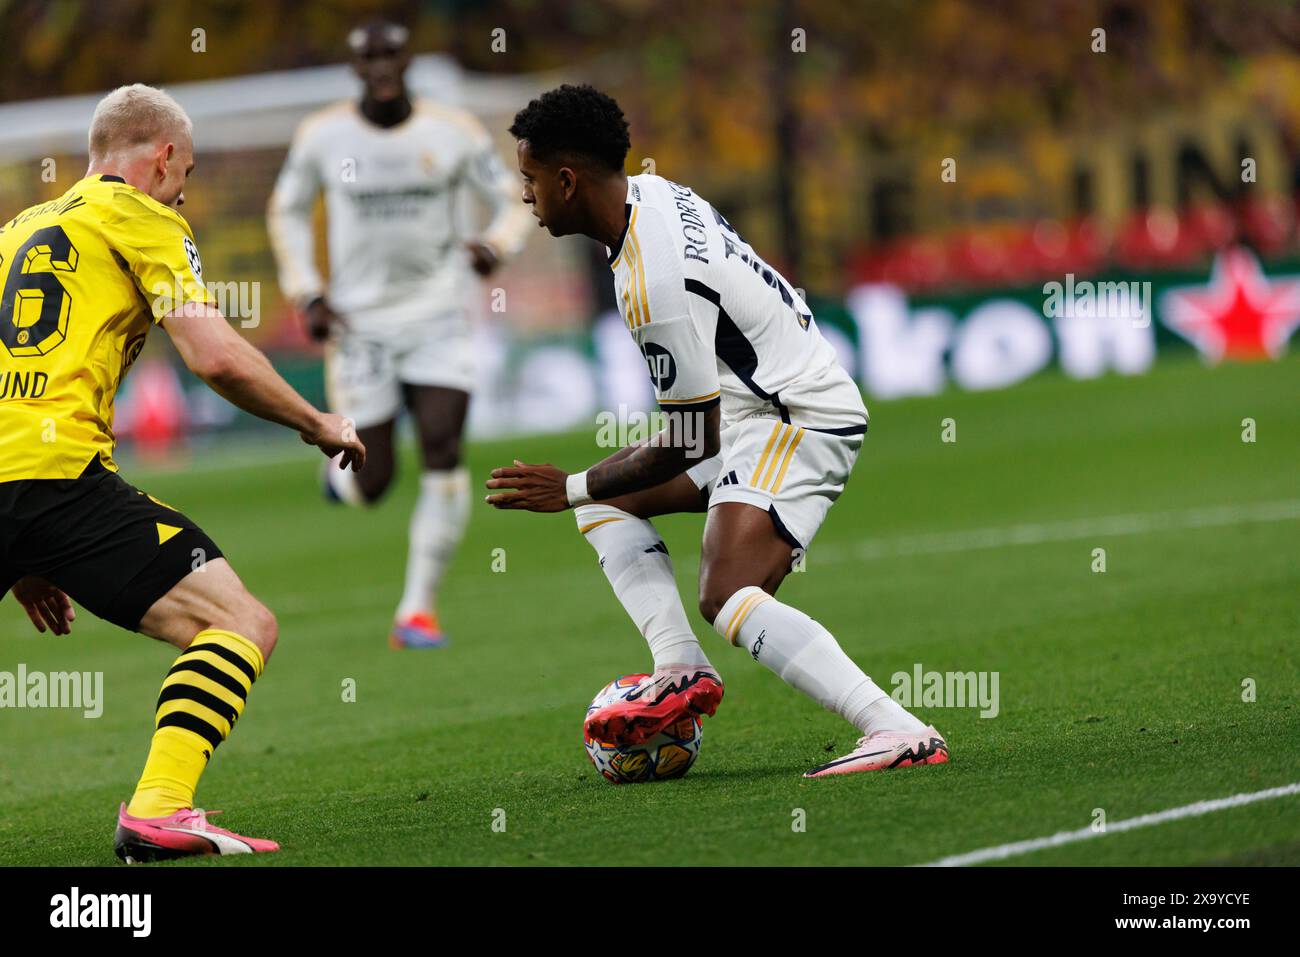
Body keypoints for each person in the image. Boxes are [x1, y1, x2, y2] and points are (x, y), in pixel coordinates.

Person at [486, 84, 948, 777]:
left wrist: (570, 484)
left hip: (794, 412)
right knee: (611, 503)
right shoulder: (654, 194)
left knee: (726, 591)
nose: (525, 196)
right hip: (755, 405)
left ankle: (898, 728)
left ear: (566, 179)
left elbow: (690, 441)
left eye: (528, 179)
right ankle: (679, 669)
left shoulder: (651, 279)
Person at [0, 83, 365, 860]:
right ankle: (160, 807)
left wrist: (23, 557)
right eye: (187, 172)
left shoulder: (17, 231)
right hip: (57, 472)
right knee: (237, 624)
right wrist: (317, 421)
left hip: (17, 477)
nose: (187, 189)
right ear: (162, 156)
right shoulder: (144, 216)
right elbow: (217, 358)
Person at [268, 18, 532, 649]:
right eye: (369, 58)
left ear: (407, 61)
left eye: (391, 55)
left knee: (444, 445)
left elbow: (515, 197)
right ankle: (339, 483)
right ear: (355, 68)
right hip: (360, 328)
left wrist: (497, 245)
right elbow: (288, 211)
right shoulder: (323, 137)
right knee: (372, 481)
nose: (382, 67)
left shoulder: (451, 131)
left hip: (440, 316)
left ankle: (417, 611)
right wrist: (306, 290)